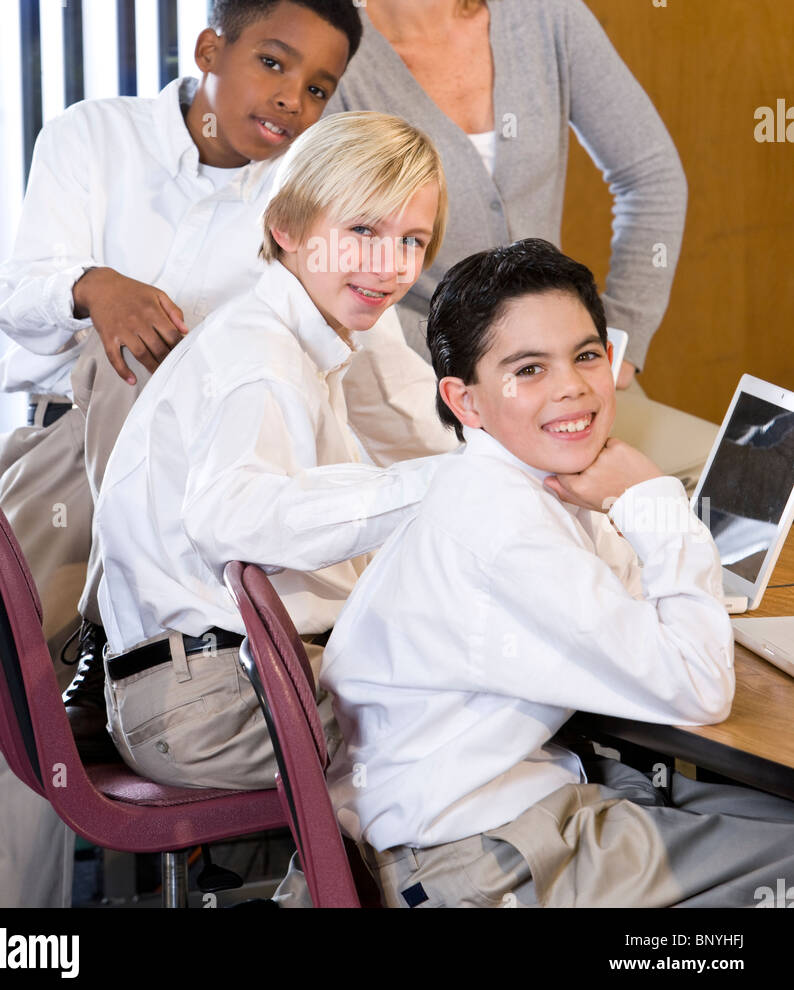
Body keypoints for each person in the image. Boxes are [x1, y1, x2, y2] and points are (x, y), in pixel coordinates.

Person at [0, 0, 453, 909]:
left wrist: (489, 464)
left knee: (277, 665)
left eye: (318, 89)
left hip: (185, 497)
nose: (291, 100)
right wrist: (96, 287)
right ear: (209, 51)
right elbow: (8, 295)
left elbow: (381, 368)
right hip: (66, 458)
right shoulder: (97, 136)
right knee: (15, 725)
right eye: (271, 64)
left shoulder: (298, 198)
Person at [320, 240, 794, 908]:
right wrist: (651, 499)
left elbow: (619, 602)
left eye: (587, 356)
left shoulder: (503, 482)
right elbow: (699, 686)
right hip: (480, 863)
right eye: (529, 369)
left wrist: (619, 507)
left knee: (763, 805)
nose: (571, 385)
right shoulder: (503, 529)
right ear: (466, 400)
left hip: (504, 806)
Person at [318, 0, 718, 487]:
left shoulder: (540, 6)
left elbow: (651, 175)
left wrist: (613, 342)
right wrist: (461, 394)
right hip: (415, 406)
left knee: (719, 498)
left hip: (561, 389)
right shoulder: (333, 52)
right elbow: (332, 268)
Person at [96, 111, 449, 795]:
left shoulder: (284, 340)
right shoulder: (262, 360)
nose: (392, 265)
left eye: (412, 239)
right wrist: (437, 488)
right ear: (286, 228)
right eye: (363, 231)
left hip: (198, 687)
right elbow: (231, 516)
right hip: (210, 705)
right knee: (497, 716)